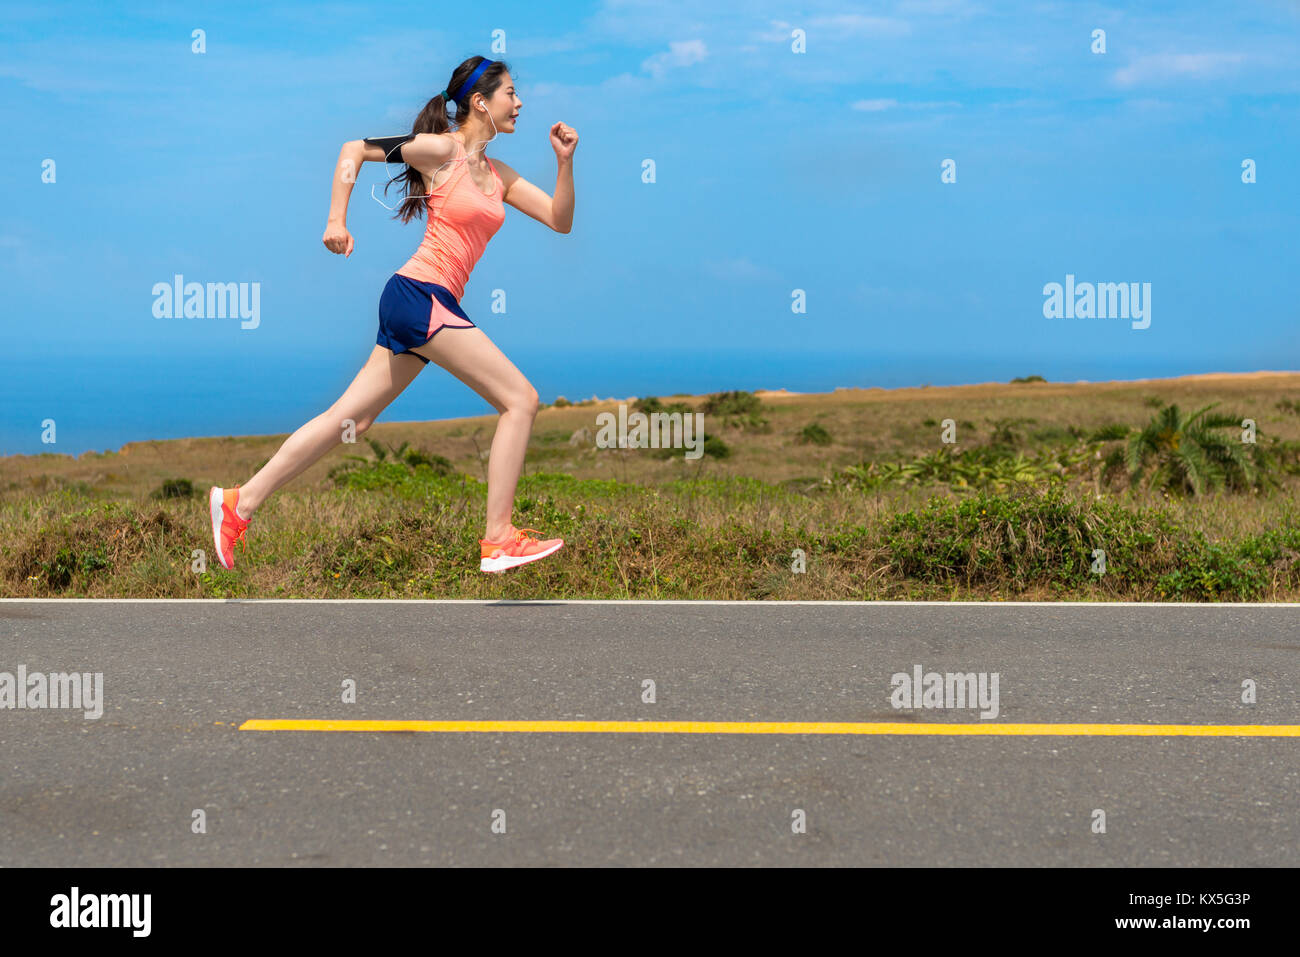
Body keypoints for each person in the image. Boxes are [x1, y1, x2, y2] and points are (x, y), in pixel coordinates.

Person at [208, 56, 577, 574]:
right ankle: (498, 538)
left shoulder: (499, 175)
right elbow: (353, 149)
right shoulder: (442, 151)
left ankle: (237, 503)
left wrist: (564, 162)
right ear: (480, 102)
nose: (519, 103)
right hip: (418, 295)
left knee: (352, 420)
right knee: (521, 400)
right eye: (511, 93)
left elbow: (560, 221)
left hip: (427, 302)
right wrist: (336, 220)